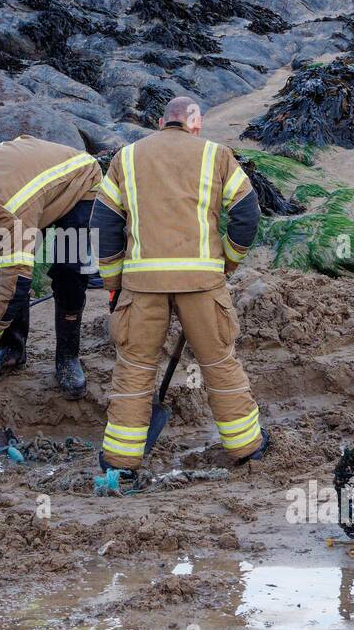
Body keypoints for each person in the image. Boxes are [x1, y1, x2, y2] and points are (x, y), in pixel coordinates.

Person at [92, 96, 267, 476]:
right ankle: (246, 448)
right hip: (202, 283)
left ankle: (120, 461)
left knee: (135, 367)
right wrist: (228, 263)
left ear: (161, 122)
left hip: (142, 285)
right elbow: (247, 215)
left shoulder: (126, 158)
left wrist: (112, 282)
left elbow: (104, 223)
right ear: (196, 123)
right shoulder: (216, 156)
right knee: (219, 362)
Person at [0, 135, 100, 398]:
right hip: (34, 186)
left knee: (70, 273)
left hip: (79, 185)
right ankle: (12, 351)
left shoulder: (12, 212)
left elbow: (14, 287)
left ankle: (68, 358)